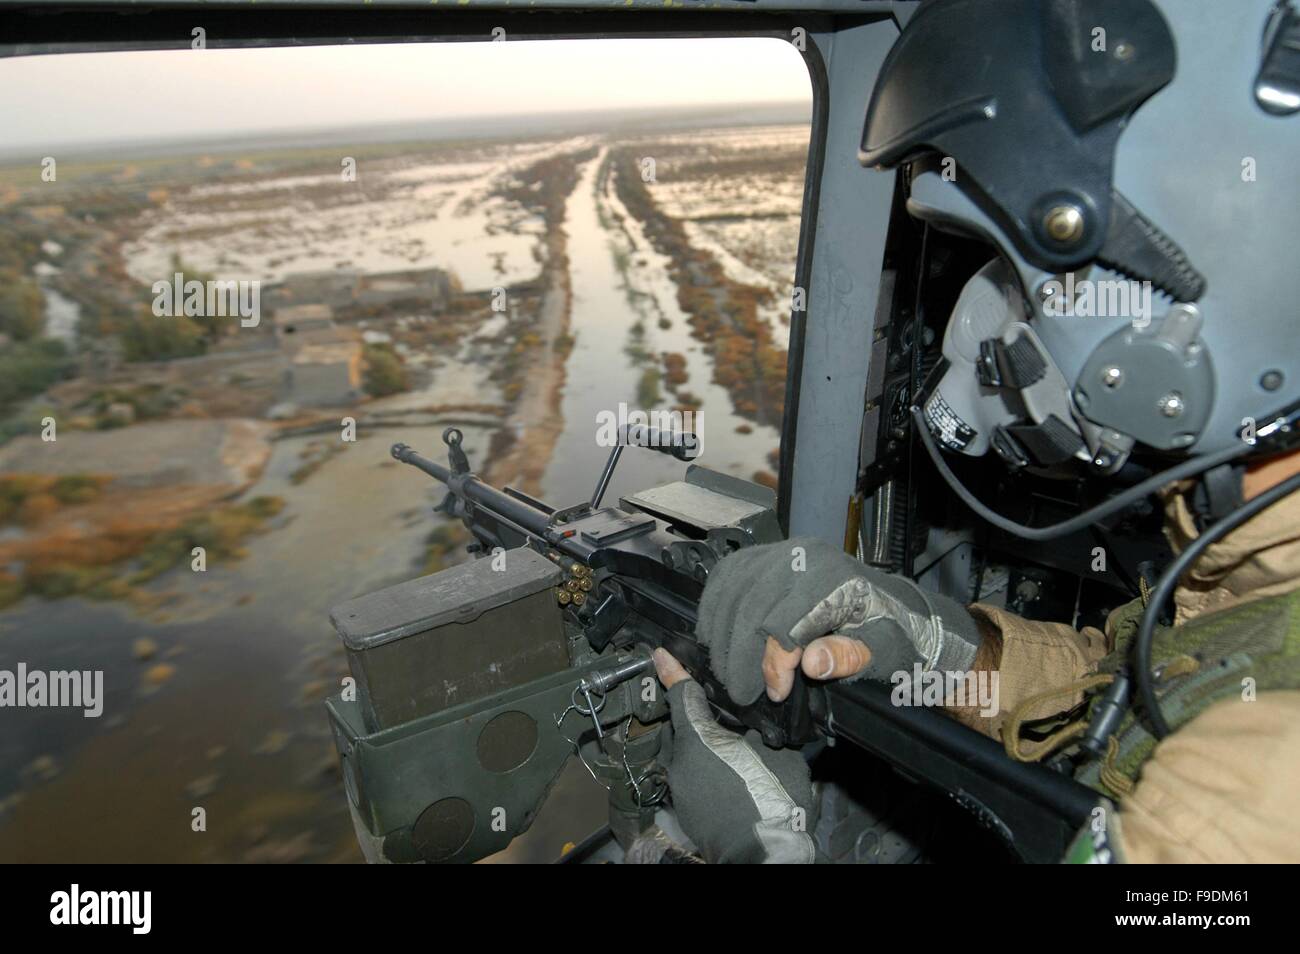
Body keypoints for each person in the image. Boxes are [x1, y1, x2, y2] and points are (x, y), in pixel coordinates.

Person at [651, 446, 1300, 863]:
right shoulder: (1253, 569)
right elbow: (1109, 682)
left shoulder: (1264, 778)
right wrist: (941, 645)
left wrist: (759, 849)